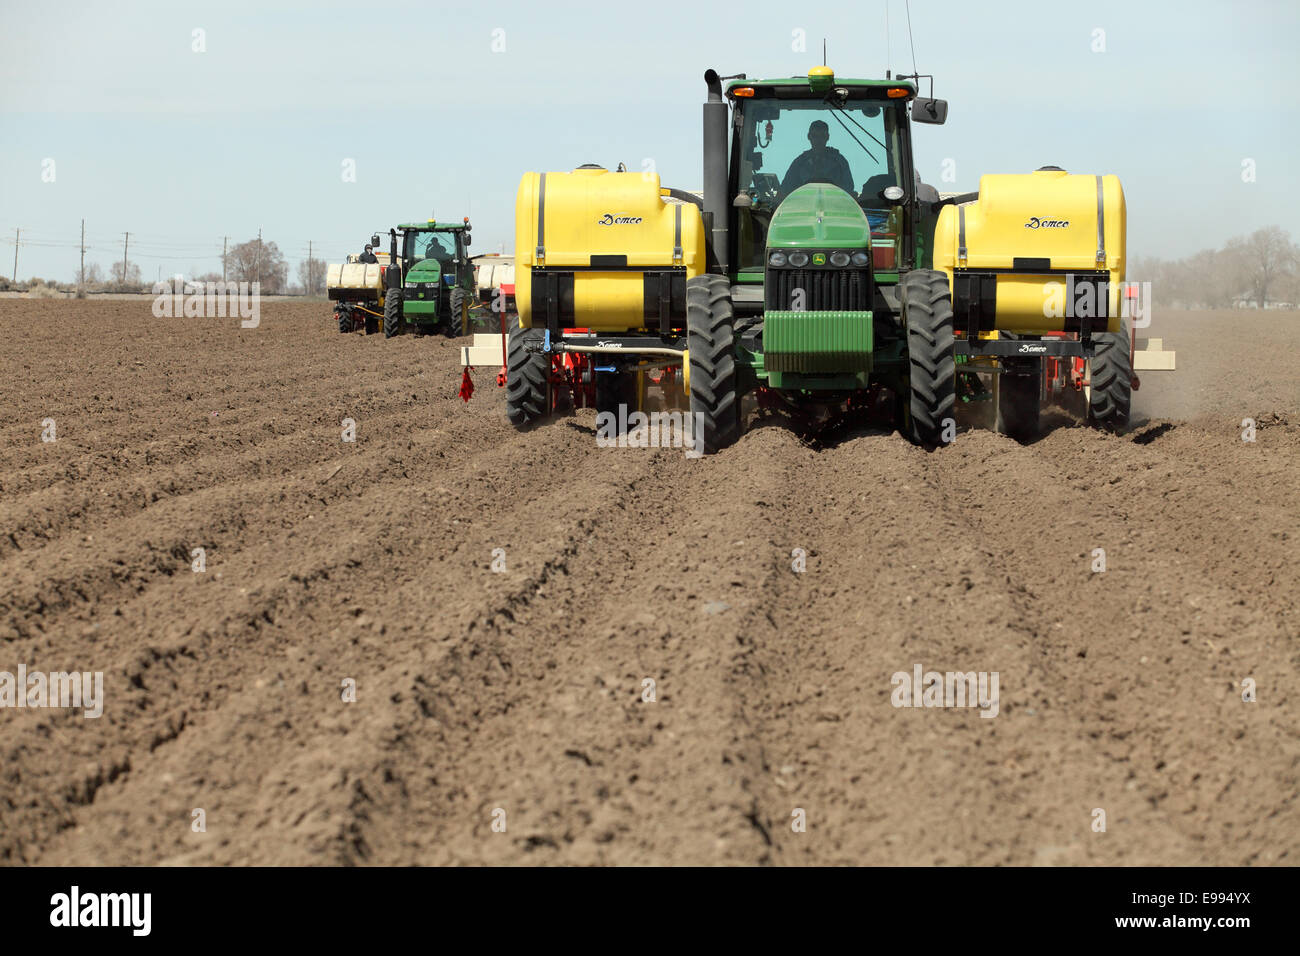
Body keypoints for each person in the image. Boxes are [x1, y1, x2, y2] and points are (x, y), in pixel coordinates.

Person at [781, 120, 855, 195]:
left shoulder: (839, 161)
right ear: (809, 136)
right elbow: (785, 190)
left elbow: (848, 188)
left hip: (834, 203)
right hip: (803, 204)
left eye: (822, 136)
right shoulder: (800, 162)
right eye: (815, 136)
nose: (818, 140)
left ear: (827, 137)